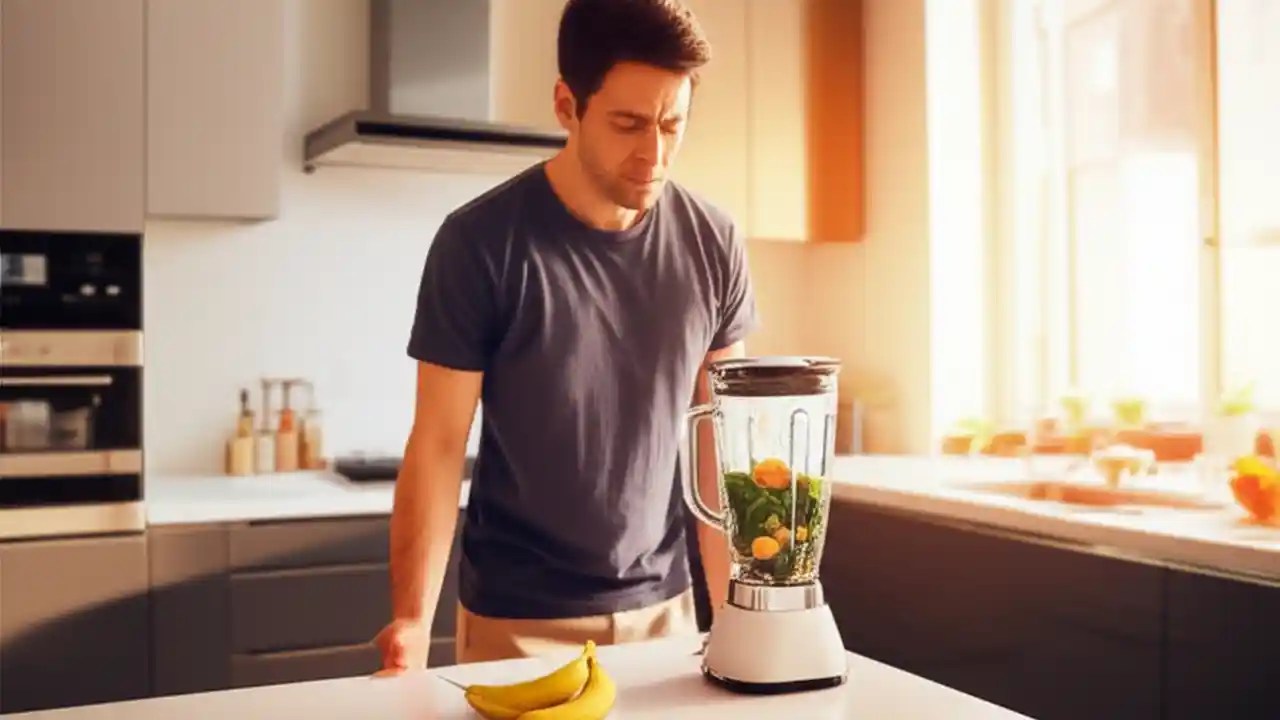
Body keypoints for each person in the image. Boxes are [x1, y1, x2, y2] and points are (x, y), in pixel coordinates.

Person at [374, 0, 758, 673]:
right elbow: (438, 444)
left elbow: (717, 450)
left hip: (664, 613)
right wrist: (410, 620)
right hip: (516, 622)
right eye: (628, 124)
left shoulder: (714, 243)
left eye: (673, 125)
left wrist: (734, 613)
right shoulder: (480, 244)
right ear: (565, 105)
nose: (655, 153)